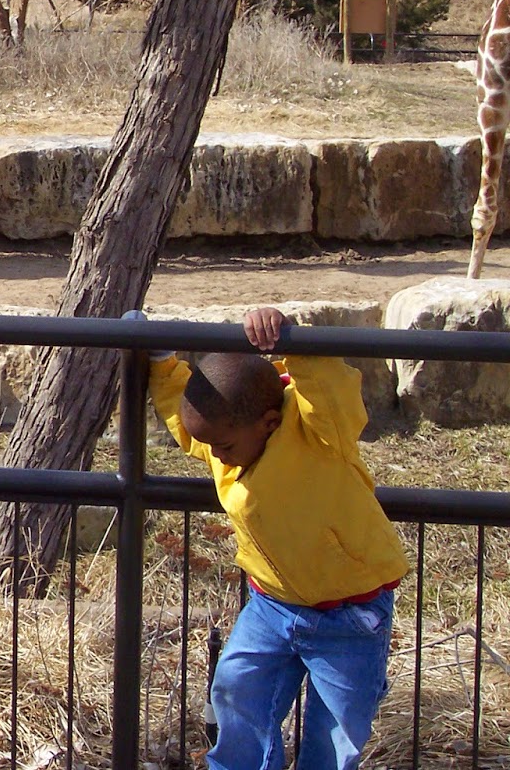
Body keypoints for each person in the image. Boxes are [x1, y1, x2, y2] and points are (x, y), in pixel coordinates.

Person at [127, 305, 410, 770]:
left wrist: (292, 345)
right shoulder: (229, 439)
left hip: (351, 612)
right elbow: (190, 418)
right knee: (237, 693)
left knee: (334, 735)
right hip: (272, 604)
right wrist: (158, 357)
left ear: (269, 422)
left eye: (224, 447)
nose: (216, 456)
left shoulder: (318, 431)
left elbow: (332, 392)